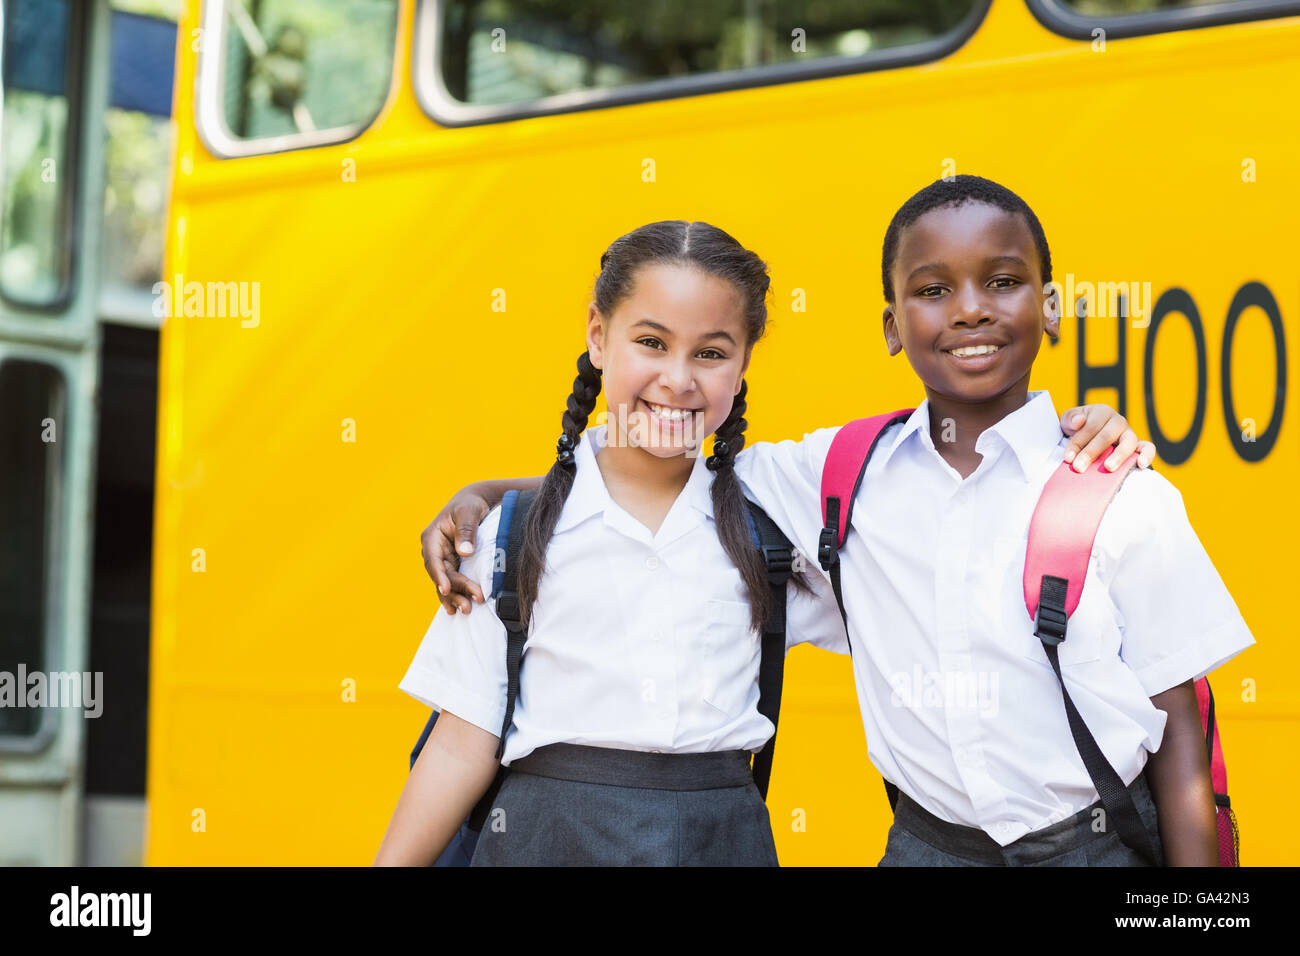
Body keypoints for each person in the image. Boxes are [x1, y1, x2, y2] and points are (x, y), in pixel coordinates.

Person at [420, 185, 1206, 866]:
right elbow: (647, 473)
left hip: (1090, 844)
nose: (969, 309)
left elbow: (1183, 746)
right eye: (933, 290)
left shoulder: (1113, 491)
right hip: (927, 847)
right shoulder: (839, 475)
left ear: (1053, 307)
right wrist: (492, 496)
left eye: (1001, 282)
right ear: (893, 325)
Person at [375, 220, 850, 867]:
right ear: (598, 336)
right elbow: (462, 743)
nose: (678, 378)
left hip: (721, 842)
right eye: (651, 342)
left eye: (711, 352)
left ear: (743, 364)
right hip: (543, 840)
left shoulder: (773, 523)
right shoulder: (511, 535)